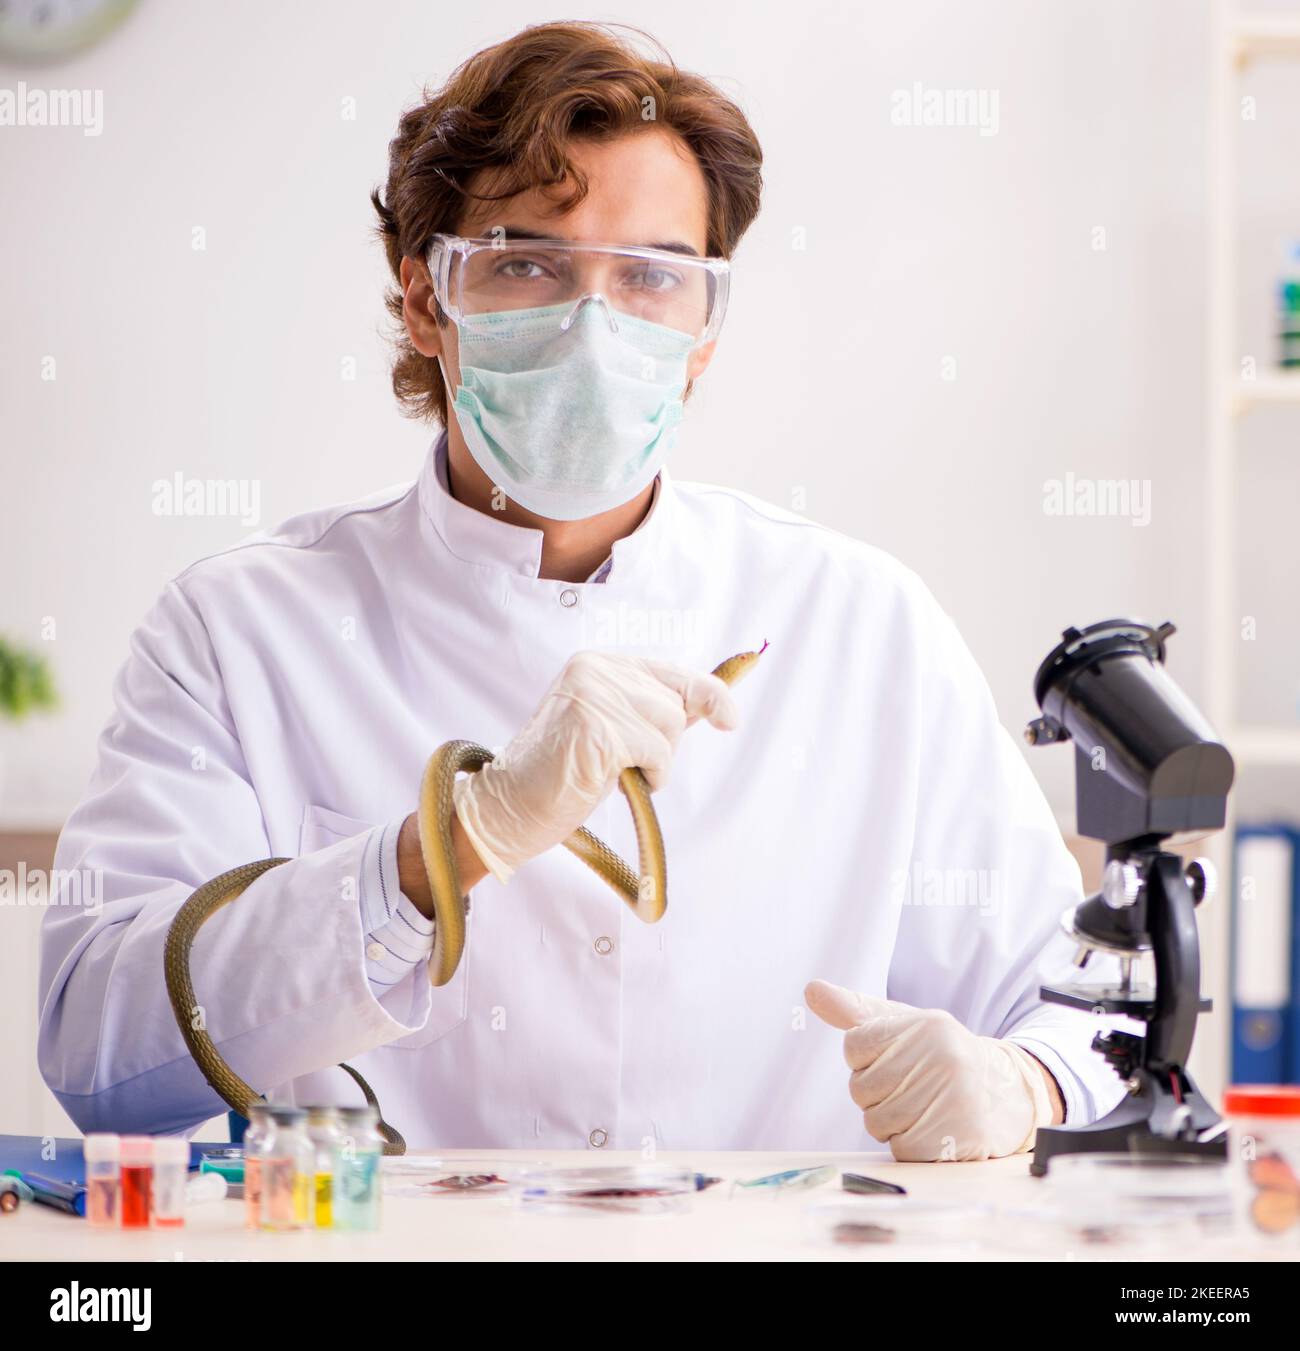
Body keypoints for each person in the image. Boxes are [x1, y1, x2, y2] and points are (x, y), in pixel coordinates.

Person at [38, 21, 1123, 1159]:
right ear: (425, 300)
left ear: (704, 328)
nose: (593, 326)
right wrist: (436, 854)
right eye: (526, 263)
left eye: (651, 276)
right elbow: (98, 1056)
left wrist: (1021, 1082)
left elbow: (1084, 1003)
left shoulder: (860, 624)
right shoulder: (236, 631)